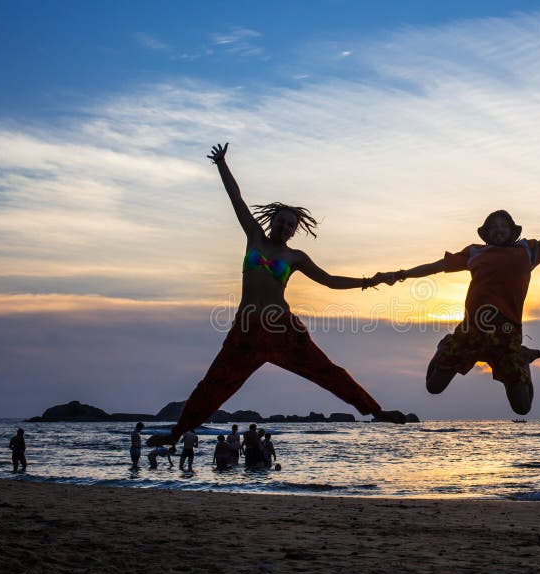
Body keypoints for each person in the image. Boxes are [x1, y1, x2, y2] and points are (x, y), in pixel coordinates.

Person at [147, 143, 405, 448]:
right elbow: (236, 198)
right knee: (213, 385)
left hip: (282, 329)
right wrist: (222, 165)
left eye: (290, 225)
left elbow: (330, 280)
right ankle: (176, 434)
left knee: (326, 371)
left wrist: (369, 281)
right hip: (245, 331)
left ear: (294, 231)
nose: (284, 226)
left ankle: (375, 411)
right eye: (281, 221)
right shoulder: (254, 238)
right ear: (272, 222)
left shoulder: (296, 257)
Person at [383, 208, 540, 416]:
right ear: (486, 233)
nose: (498, 229)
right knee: (433, 387)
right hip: (472, 332)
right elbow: (436, 267)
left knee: (522, 408)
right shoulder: (474, 253)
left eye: (504, 225)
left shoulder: (529, 250)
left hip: (508, 335)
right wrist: (402, 274)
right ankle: (444, 345)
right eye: (493, 227)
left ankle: (522, 360)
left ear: (512, 231)